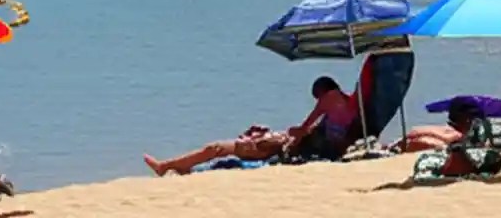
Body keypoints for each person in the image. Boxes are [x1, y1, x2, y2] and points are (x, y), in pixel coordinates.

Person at [143, 77, 353, 175]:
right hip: (309, 146)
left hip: (301, 147)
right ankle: (176, 165)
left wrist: (291, 133)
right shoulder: (349, 102)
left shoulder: (330, 98)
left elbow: (305, 128)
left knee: (217, 148)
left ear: (324, 90)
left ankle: (165, 166)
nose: (317, 100)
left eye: (317, 95)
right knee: (251, 138)